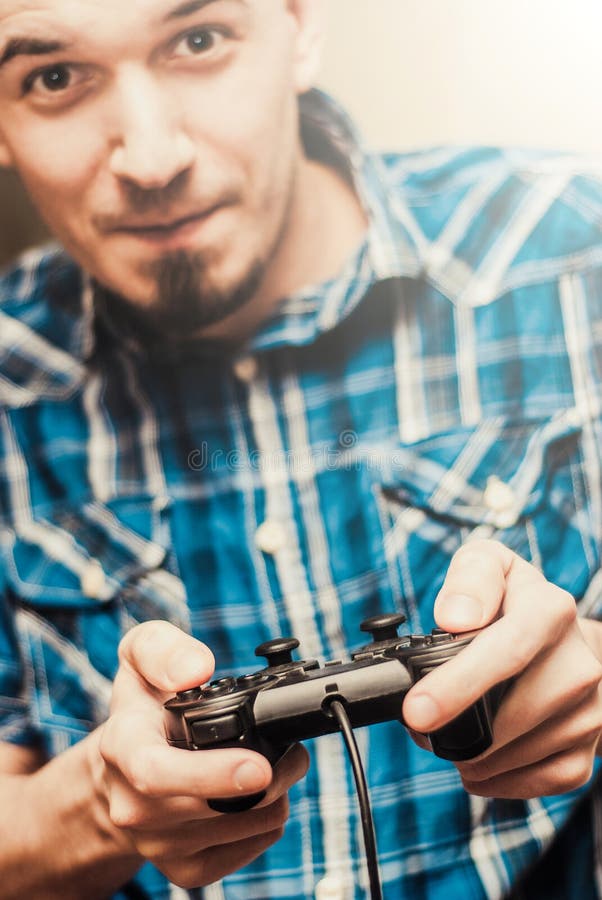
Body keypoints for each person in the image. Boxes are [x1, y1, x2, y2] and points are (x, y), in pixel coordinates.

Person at [1, 0, 602, 897]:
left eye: (198, 41)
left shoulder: (572, 250)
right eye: (53, 77)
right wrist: (97, 803)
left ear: (299, 24)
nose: (154, 158)